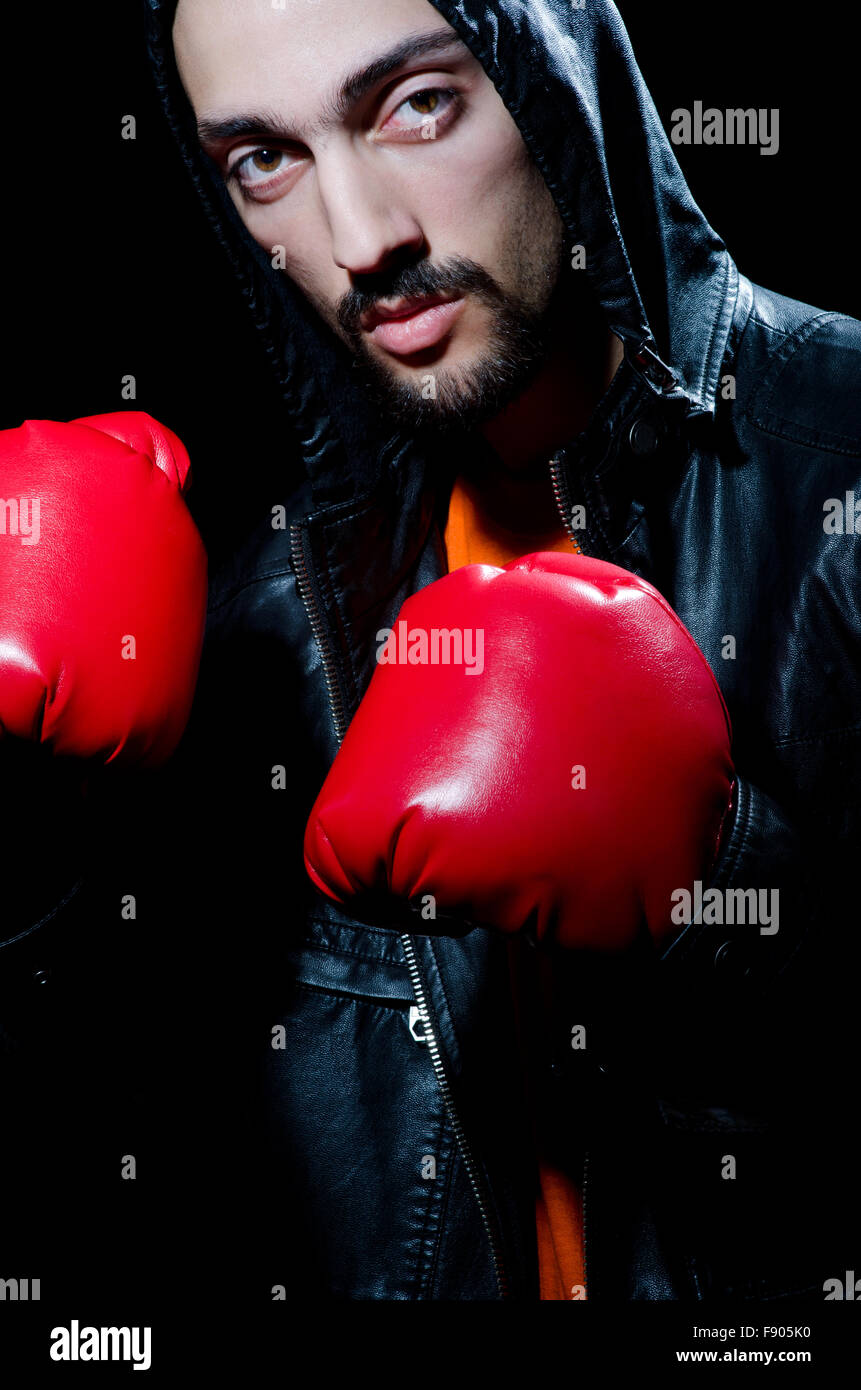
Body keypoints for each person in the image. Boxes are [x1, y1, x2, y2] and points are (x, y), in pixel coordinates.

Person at [1, 0, 857, 1307]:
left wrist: (722, 902)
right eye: (264, 160)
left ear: (556, 78)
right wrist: (31, 839)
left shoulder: (839, 472)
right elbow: (135, 1192)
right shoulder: (267, 619)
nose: (361, 241)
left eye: (414, 106)